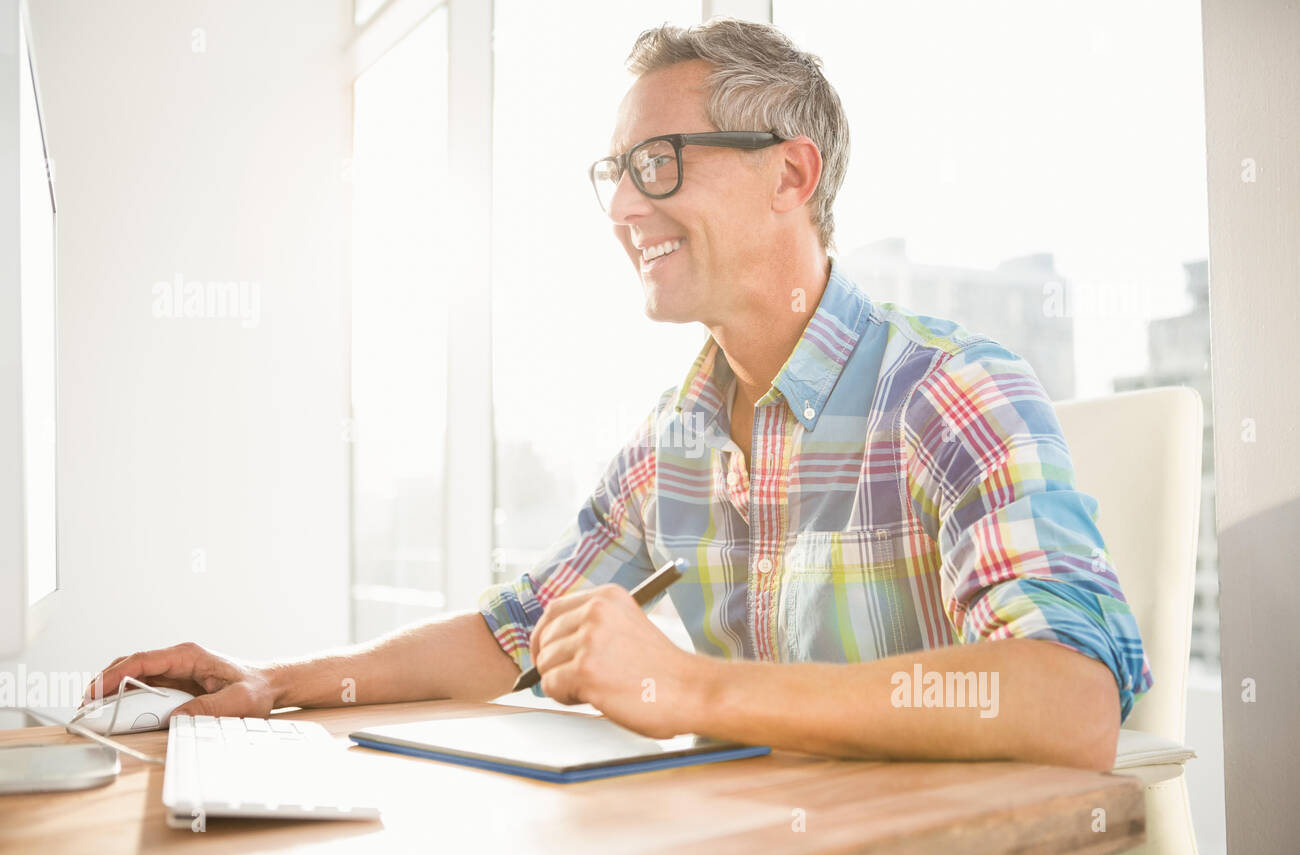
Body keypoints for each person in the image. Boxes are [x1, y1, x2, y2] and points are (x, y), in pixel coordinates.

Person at [85, 18, 1150, 771]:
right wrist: (277, 681)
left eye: (659, 161)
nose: (623, 207)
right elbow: (509, 637)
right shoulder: (673, 439)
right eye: (615, 173)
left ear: (790, 174)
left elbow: (1068, 700)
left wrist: (692, 691)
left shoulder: (949, 393)